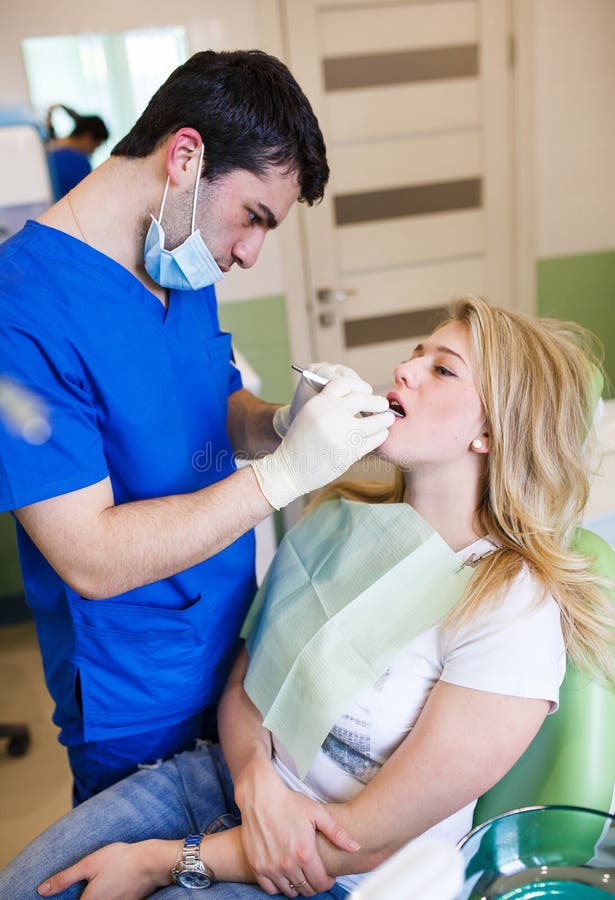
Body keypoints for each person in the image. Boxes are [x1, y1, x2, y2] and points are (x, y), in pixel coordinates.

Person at [1, 296, 613, 900]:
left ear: (490, 431)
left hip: (335, 871)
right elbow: (245, 685)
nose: (405, 370)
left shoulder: (511, 606)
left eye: (442, 369)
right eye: (416, 355)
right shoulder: (334, 520)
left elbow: (363, 840)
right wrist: (254, 783)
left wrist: (164, 862)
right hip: (226, 781)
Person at [0, 49, 395, 804]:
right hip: (137, 687)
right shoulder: (22, 311)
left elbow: (212, 409)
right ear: (185, 157)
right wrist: (282, 477)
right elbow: (89, 557)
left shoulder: (179, 259)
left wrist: (281, 425)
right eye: (253, 218)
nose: (249, 252)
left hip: (233, 644)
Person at [46, 104, 110, 198]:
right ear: (87, 137)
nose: (92, 153)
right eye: (94, 147)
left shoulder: (46, 151)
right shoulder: (79, 162)